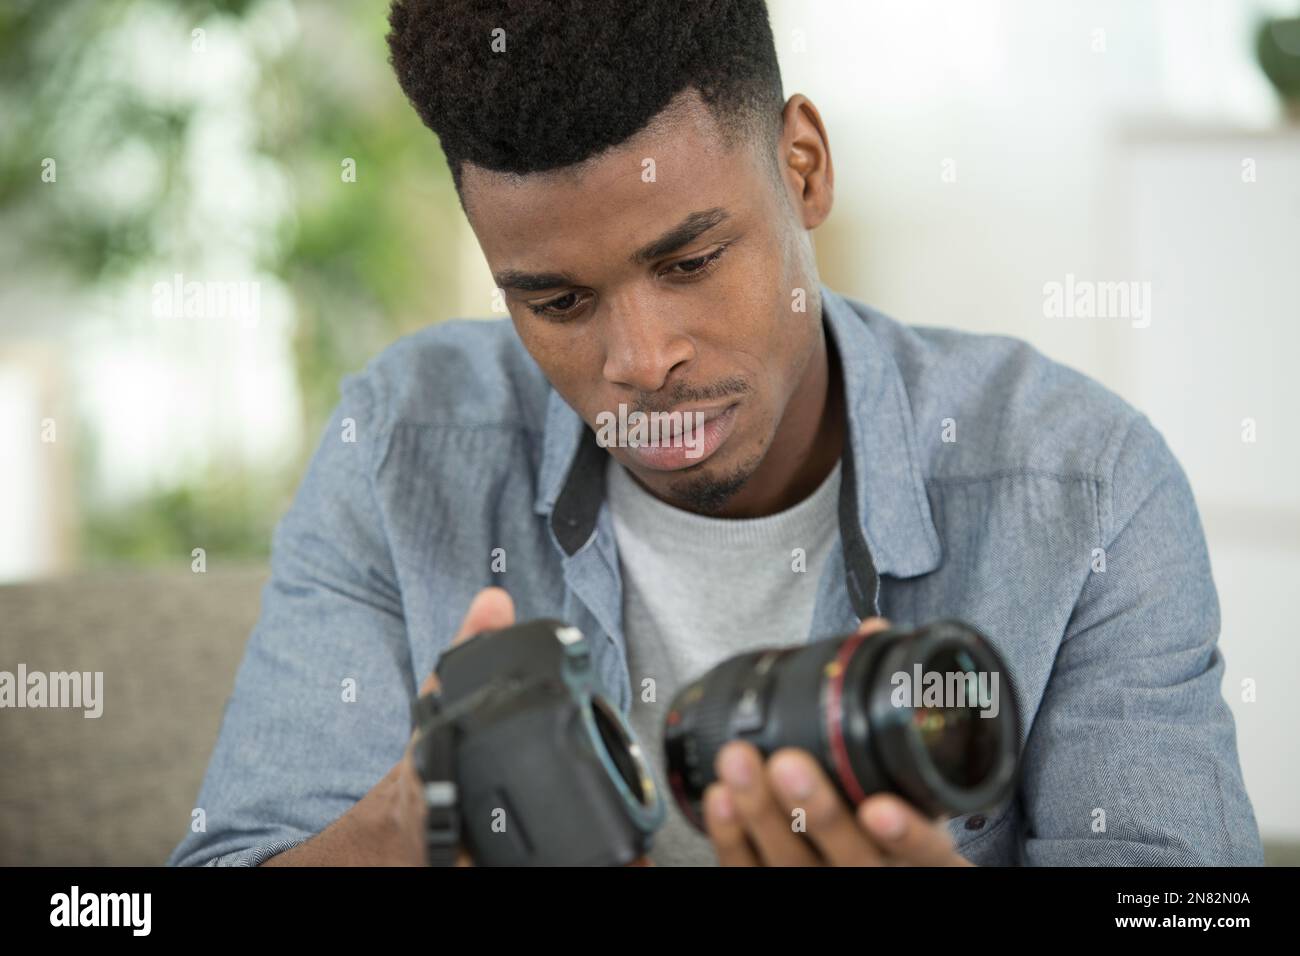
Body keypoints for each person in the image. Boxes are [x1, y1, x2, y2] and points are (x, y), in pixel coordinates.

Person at [167, 0, 1262, 867]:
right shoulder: (401, 445)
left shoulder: (1081, 485)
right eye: (557, 302)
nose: (640, 361)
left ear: (803, 167)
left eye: (688, 262)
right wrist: (421, 818)